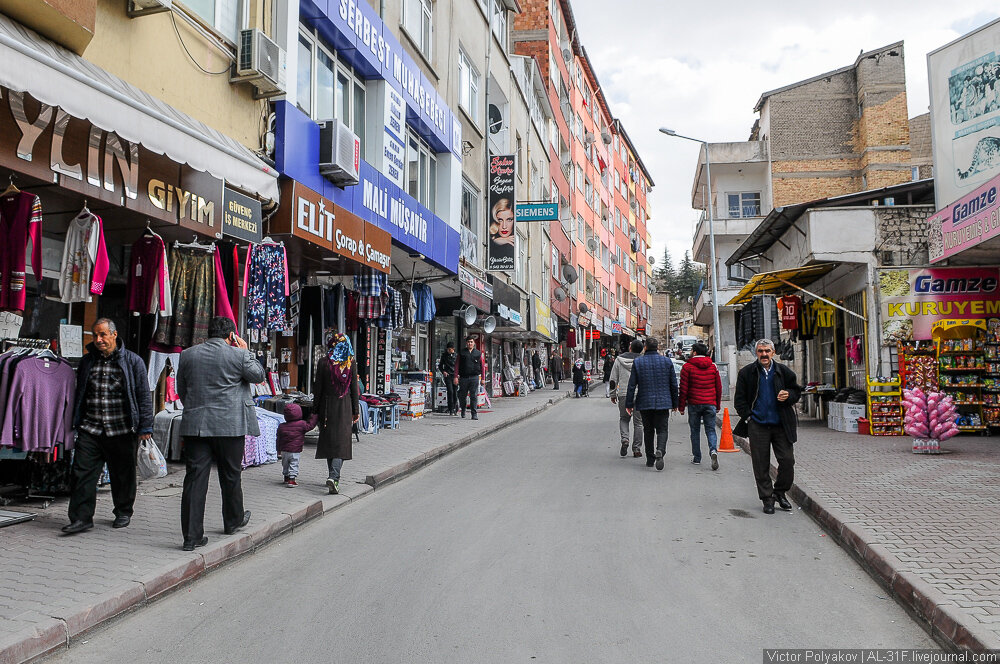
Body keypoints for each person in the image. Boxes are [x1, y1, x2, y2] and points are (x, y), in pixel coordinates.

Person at [177, 317, 264, 551]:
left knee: (195, 480)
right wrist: (247, 350)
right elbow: (259, 376)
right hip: (230, 426)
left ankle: (191, 537)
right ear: (232, 336)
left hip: (196, 426)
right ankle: (233, 520)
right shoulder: (239, 355)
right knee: (231, 475)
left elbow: (181, 390)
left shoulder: (188, 355)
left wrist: (195, 410)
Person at [63, 318, 153, 535]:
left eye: (103, 335)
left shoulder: (133, 362)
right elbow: (80, 393)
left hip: (121, 429)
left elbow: (143, 395)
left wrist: (145, 427)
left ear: (114, 334)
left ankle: (123, 511)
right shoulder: (87, 362)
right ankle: (81, 518)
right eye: (95, 335)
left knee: (123, 474)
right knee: (82, 473)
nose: (98, 340)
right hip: (91, 428)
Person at [733, 338, 802, 514]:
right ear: (756, 353)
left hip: (781, 424)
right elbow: (739, 401)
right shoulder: (747, 373)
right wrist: (749, 418)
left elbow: (796, 391)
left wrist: (789, 395)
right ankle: (767, 498)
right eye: (761, 351)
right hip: (758, 425)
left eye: (767, 351)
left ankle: (779, 492)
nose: (764, 354)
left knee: (787, 461)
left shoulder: (783, 371)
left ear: (773, 352)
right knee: (761, 464)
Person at [314, 331, 360, 495]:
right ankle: (334, 477)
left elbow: (317, 388)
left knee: (329, 441)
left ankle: (332, 476)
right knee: (341, 442)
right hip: (345, 406)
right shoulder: (350, 362)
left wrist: (315, 410)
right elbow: (354, 389)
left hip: (326, 406)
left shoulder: (323, 362)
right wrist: (356, 410)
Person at [625, 337, 678, 471]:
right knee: (662, 429)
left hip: (645, 401)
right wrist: (675, 403)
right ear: (658, 347)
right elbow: (673, 384)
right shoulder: (667, 362)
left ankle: (650, 459)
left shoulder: (638, 362)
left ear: (645, 347)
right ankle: (660, 450)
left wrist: (629, 404)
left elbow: (632, 385)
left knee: (648, 430)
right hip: (663, 402)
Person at [678, 342, 723, 471]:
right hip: (710, 404)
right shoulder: (713, 367)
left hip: (694, 404)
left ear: (695, 352)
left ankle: (697, 457)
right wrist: (718, 404)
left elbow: (683, 389)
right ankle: (713, 450)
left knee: (695, 430)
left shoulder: (687, 367)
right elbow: (718, 388)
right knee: (710, 430)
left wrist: (681, 406)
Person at [610, 339, 645, 458]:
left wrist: (613, 394)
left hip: (624, 394)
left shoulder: (619, 360)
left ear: (630, 348)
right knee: (638, 423)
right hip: (640, 394)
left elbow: (613, 379)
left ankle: (625, 440)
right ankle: (636, 449)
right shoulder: (642, 361)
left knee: (624, 419)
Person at [276, 403, 318, 487]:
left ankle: (286, 477)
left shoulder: (281, 426)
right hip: (295, 450)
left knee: (285, 464)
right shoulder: (302, 424)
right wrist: (314, 416)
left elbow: (278, 439)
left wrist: (278, 450)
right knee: (294, 463)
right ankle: (292, 480)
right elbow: (310, 426)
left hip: (284, 451)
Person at [454, 335, 486, 419]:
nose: (470, 343)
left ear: (474, 343)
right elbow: (457, 365)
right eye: (468, 342)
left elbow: (482, 366)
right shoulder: (462, 353)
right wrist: (455, 376)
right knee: (462, 396)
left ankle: (474, 414)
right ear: (466, 343)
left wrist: (483, 378)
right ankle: (463, 410)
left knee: (473, 396)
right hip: (463, 377)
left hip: (474, 377)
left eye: (471, 342)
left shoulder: (478, 353)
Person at [438, 342, 458, 415]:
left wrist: (458, 374)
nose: (448, 351)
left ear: (453, 349)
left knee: (455, 392)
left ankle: (455, 407)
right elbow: (440, 366)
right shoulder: (444, 356)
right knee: (450, 391)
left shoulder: (456, 356)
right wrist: (443, 371)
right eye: (448, 349)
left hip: (455, 375)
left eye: (450, 349)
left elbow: (459, 366)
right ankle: (451, 409)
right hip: (448, 375)